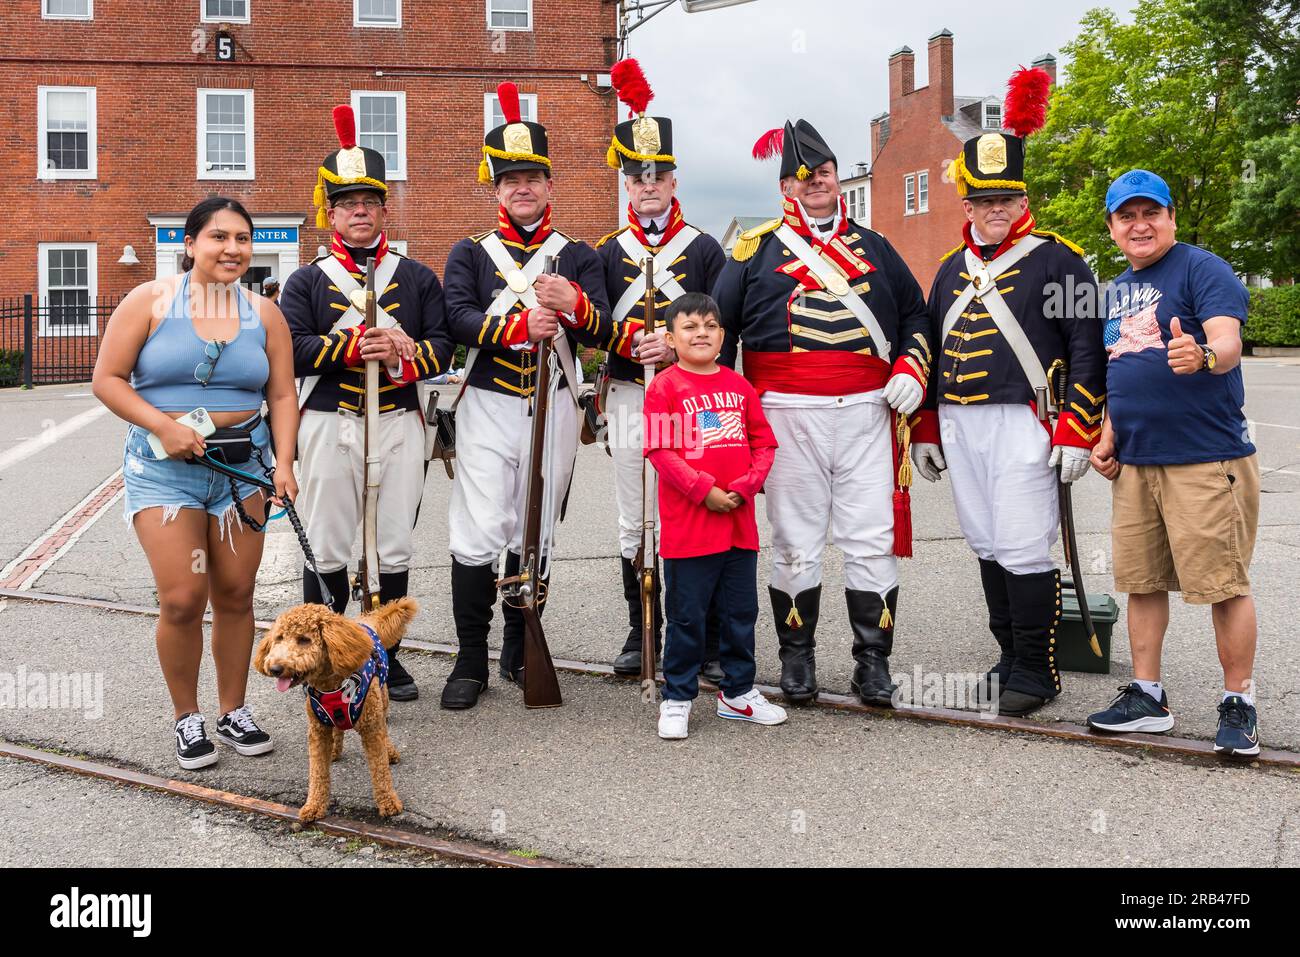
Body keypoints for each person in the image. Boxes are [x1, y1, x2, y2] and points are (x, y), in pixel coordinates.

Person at [712, 118, 932, 707]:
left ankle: (872, 662)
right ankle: (796, 658)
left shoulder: (878, 248)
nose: (815, 183)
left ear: (838, 179)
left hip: (866, 413)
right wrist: (729, 422)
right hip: (784, 413)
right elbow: (717, 334)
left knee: (872, 539)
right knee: (795, 541)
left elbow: (916, 317)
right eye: (802, 176)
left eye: (825, 173)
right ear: (787, 187)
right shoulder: (752, 251)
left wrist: (911, 367)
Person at [910, 68, 1106, 716]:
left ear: (1023, 201)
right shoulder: (948, 271)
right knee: (986, 541)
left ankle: (1038, 667)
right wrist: (928, 430)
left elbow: (1086, 347)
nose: (996, 210)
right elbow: (933, 351)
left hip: (1027, 423)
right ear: (966, 205)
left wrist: (1078, 429)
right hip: (963, 426)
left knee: (1023, 543)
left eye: (1007, 200)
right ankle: (1008, 653)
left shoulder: (1060, 259)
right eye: (984, 200)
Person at [439, 81, 637, 710]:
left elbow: (606, 328)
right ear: (494, 188)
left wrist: (573, 304)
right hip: (488, 405)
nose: (521, 187)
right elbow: (456, 318)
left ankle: (520, 647)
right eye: (509, 179)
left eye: (532, 176)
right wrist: (517, 327)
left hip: (553, 404)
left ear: (549, 185)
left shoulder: (578, 253)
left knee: (538, 530)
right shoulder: (470, 252)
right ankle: (470, 657)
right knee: (478, 529)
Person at [92, 196, 299, 769]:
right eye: (218, 237)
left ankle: (233, 710)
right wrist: (164, 425)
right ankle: (187, 718)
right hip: (164, 471)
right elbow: (106, 379)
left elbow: (281, 394)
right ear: (190, 244)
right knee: (184, 598)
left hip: (241, 472)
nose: (231, 249)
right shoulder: (148, 301)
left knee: (235, 594)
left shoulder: (265, 313)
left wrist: (284, 464)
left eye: (241, 238)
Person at [1085, 169, 1262, 757]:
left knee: (1223, 585)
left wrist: (1203, 353)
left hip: (1204, 460)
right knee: (1142, 583)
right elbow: (1121, 366)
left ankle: (1240, 703)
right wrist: (1109, 434)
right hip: (1137, 462)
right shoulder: (1114, 290)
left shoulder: (1201, 268)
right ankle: (1147, 697)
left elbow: (1228, 341)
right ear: (1112, 227)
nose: (1140, 225)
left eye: (1150, 213)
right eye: (1126, 216)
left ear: (1170, 218)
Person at [279, 104, 453, 702]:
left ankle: (384, 656)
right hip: (332, 421)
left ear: (384, 209)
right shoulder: (306, 280)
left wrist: (404, 353)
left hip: (399, 420)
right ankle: (320, 659)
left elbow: (445, 347)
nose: (359, 210)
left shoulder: (418, 276)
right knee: (328, 544)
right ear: (332, 212)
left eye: (369, 201)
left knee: (391, 545)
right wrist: (354, 345)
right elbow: (295, 351)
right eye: (347, 202)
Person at [595, 58, 728, 681]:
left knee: (687, 508)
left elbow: (718, 325)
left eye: (658, 175)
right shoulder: (605, 252)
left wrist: (678, 350)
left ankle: (694, 633)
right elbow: (590, 324)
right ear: (627, 184)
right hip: (627, 393)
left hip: (688, 400)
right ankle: (640, 625)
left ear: (673, 180)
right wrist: (629, 341)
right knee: (635, 515)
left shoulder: (703, 248)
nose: (648, 185)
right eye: (637, 176)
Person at [643, 293, 784, 739]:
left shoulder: (740, 387)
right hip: (690, 529)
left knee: (741, 612)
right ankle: (678, 696)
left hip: (738, 526)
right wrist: (704, 491)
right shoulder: (664, 387)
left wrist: (741, 489)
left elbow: (764, 444)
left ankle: (738, 692)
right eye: (689, 327)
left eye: (709, 325)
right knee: (687, 617)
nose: (700, 333)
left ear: (723, 336)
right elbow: (660, 451)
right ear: (671, 337)